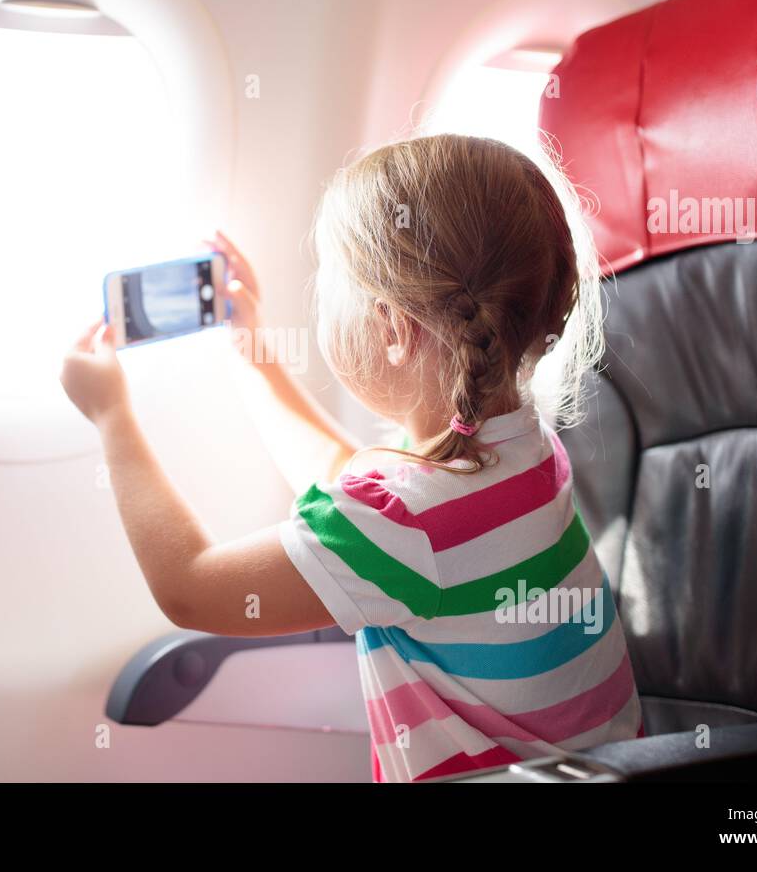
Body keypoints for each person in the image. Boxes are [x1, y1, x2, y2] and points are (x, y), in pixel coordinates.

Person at [60, 134, 641, 782]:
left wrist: (111, 417)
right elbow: (354, 481)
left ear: (392, 329)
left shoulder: (407, 521)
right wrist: (249, 349)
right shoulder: (523, 450)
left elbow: (191, 589)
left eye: (331, 279)